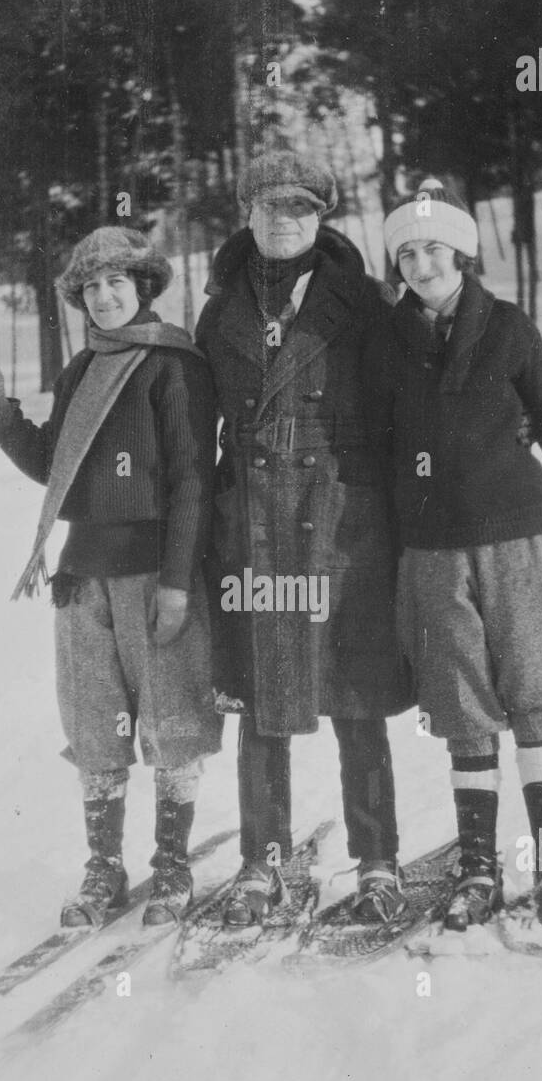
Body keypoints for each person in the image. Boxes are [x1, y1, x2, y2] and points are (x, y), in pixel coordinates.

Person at [0, 227, 222, 928]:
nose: (105, 296)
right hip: (83, 575)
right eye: (91, 286)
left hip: (155, 571)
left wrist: (176, 582)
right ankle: (104, 868)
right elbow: (54, 462)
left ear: (142, 286)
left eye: (118, 282)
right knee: (94, 728)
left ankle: (171, 868)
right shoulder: (82, 369)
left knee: (171, 723)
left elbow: (194, 481)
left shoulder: (174, 365)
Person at [196, 151, 412, 927]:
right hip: (253, 523)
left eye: (297, 208)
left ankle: (379, 858)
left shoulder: (363, 301)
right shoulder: (222, 306)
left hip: (343, 522)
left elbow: (405, 404)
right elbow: (195, 426)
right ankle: (263, 861)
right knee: (263, 697)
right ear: (246, 214)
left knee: (357, 695)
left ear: (320, 218)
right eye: (266, 206)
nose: (280, 221)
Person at [382, 179, 542, 931]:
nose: (420, 263)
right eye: (406, 253)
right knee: (461, 703)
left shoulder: (506, 326)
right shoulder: (387, 341)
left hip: (518, 536)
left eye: (433, 247)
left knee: (534, 690)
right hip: (433, 551)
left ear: (463, 252)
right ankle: (477, 868)